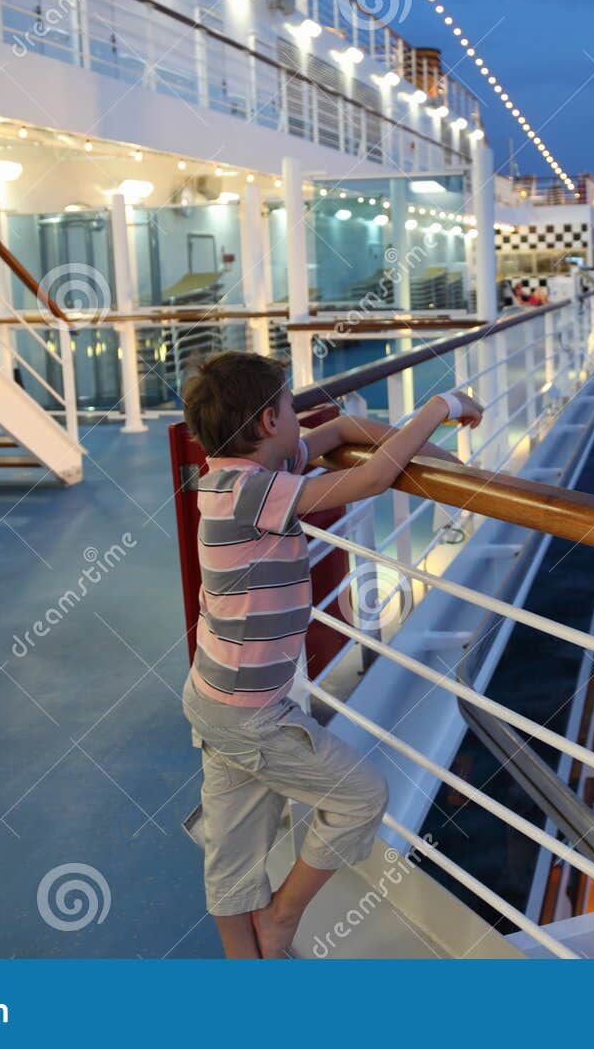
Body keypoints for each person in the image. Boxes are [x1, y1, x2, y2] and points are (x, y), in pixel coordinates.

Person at [178, 351, 482, 958]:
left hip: (215, 700)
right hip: (252, 715)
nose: (298, 418)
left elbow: (341, 430)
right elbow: (369, 480)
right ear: (269, 422)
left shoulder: (238, 473)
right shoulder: (251, 491)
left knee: (232, 856)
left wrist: (433, 456)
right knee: (360, 798)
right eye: (290, 408)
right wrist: (442, 407)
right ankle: (283, 918)